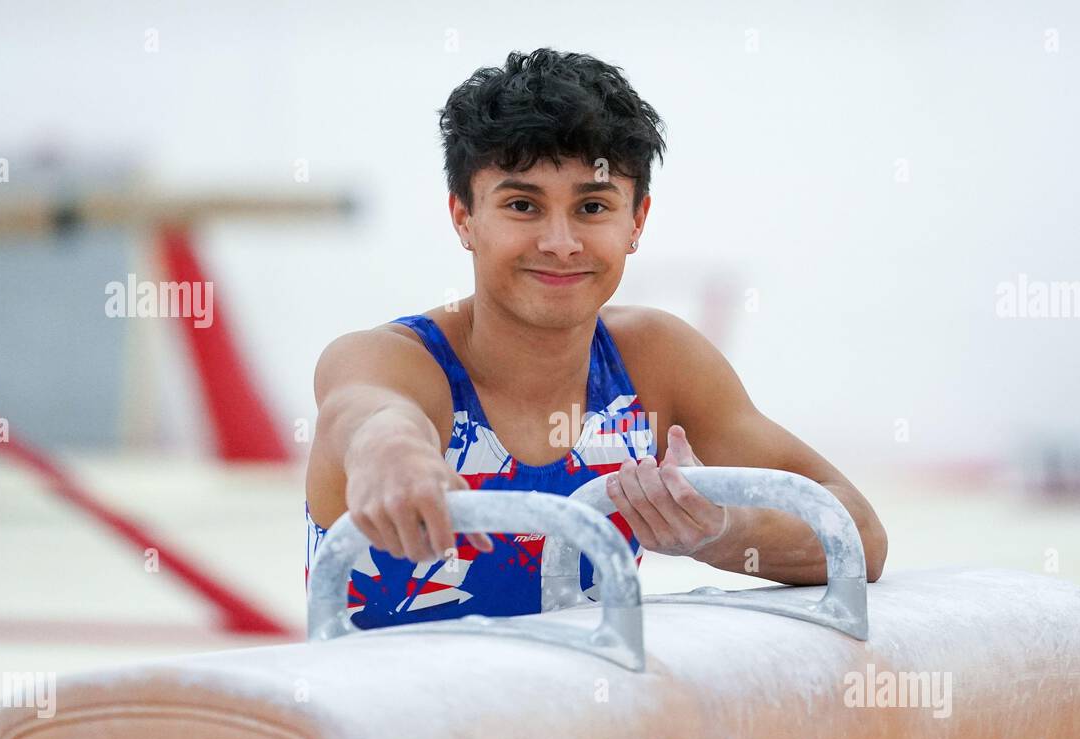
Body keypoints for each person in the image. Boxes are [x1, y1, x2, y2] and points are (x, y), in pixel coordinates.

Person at [305, 48, 887, 630]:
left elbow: (858, 536)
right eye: (522, 205)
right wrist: (391, 453)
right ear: (464, 217)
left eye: (591, 207)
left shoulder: (656, 360)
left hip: (583, 712)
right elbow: (368, 412)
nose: (561, 242)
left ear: (636, 222)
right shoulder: (392, 359)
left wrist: (720, 530)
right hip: (397, 718)